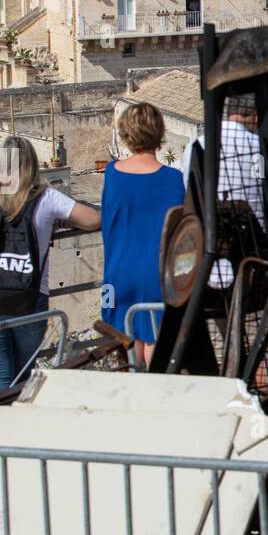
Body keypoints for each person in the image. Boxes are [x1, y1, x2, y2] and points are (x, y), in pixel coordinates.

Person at [0, 134, 100, 395]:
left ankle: (0, 430)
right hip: (29, 302)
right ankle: (21, 428)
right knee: (25, 374)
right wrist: (58, 221)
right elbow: (93, 219)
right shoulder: (47, 199)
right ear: (31, 164)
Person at [182, 100, 268, 291]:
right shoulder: (261, 150)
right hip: (256, 268)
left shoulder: (196, 147)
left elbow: (190, 198)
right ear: (255, 116)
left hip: (204, 267)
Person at [101, 102, 185, 368]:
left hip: (118, 272)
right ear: (160, 133)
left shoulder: (111, 173)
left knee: (124, 344)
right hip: (158, 274)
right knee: (154, 344)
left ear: (126, 133)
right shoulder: (174, 178)